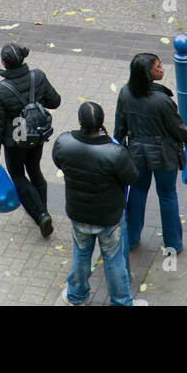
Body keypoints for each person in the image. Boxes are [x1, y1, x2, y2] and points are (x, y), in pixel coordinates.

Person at [52, 101, 140, 306]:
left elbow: (58, 161)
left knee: (81, 253)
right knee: (113, 259)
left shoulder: (64, 142)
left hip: (78, 212)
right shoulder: (115, 152)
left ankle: (76, 295)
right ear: (101, 124)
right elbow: (131, 177)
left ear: (80, 122)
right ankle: (121, 301)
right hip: (109, 217)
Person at [115, 52, 187, 255]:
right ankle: (173, 243)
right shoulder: (162, 101)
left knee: (138, 192)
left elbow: (119, 128)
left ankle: (132, 238)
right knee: (167, 195)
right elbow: (179, 128)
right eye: (157, 67)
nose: (162, 69)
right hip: (164, 155)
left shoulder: (125, 93)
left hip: (136, 154)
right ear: (146, 74)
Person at [0, 43, 60, 238]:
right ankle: (42, 208)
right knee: (35, 169)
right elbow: (55, 101)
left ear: (4, 62)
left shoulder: (0, 90)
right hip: (36, 136)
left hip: (15, 142)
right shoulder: (38, 76)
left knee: (18, 176)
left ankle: (40, 214)